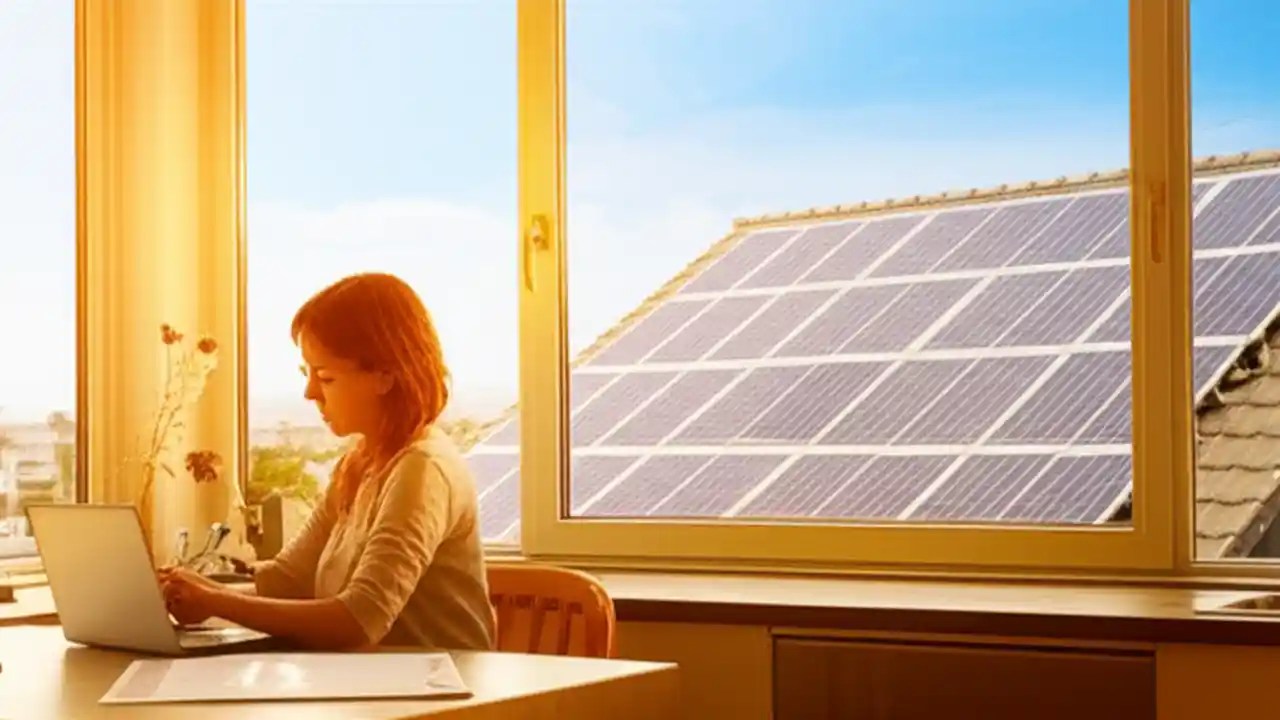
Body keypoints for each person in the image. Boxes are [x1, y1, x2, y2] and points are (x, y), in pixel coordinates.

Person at [159, 272, 496, 651]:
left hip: (445, 694)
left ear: (385, 375)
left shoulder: (423, 468)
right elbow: (289, 580)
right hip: (373, 688)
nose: (309, 392)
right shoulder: (360, 464)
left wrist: (217, 602)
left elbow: (357, 621)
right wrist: (196, 589)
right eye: (307, 374)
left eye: (325, 376)